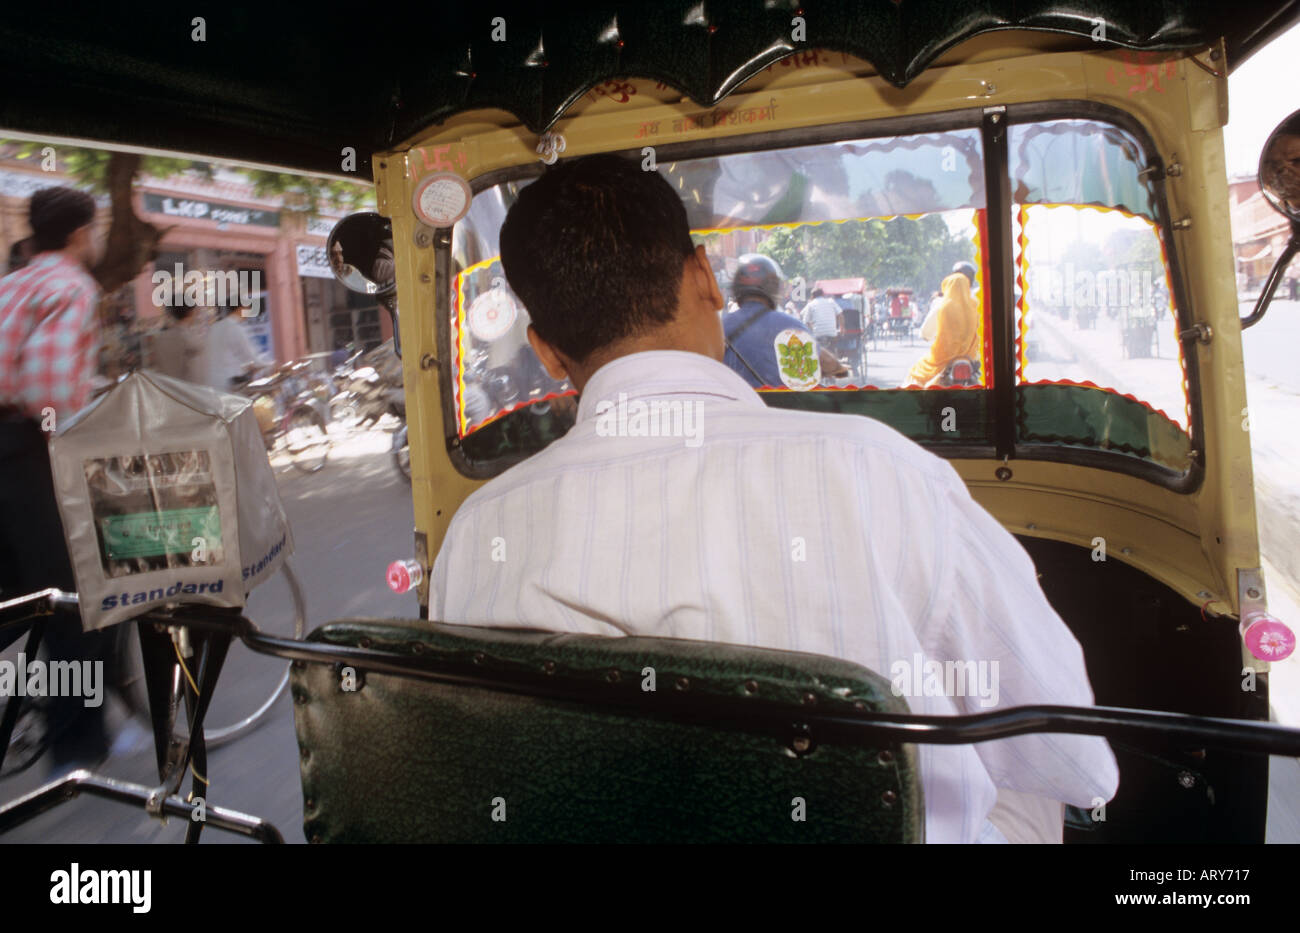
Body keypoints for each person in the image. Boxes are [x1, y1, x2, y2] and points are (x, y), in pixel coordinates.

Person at [430, 153, 1119, 844]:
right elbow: (1074, 754)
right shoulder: (884, 472)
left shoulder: (473, 534)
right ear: (705, 277)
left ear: (546, 351)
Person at [0, 186, 112, 770]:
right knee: (75, 596)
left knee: (12, 597)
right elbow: (47, 392)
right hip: (28, 455)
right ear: (78, 234)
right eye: (93, 232)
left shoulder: (11, 283)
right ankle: (76, 749)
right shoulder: (71, 284)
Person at [721, 254, 820, 389]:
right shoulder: (792, 326)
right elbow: (809, 377)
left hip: (733, 406)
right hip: (780, 408)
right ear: (774, 288)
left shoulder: (719, 328)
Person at [907, 262, 981, 387]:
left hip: (943, 360)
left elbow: (926, 333)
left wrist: (926, 336)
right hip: (971, 359)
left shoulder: (941, 305)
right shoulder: (975, 305)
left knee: (915, 376)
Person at [202, 305, 263, 391]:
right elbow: (251, 358)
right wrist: (271, 366)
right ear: (242, 308)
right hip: (229, 383)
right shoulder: (234, 327)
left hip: (211, 383)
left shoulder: (214, 327)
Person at [149, 303, 207, 383]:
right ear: (191, 312)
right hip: (186, 390)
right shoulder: (192, 341)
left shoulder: (159, 339)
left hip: (166, 388)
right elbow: (199, 375)